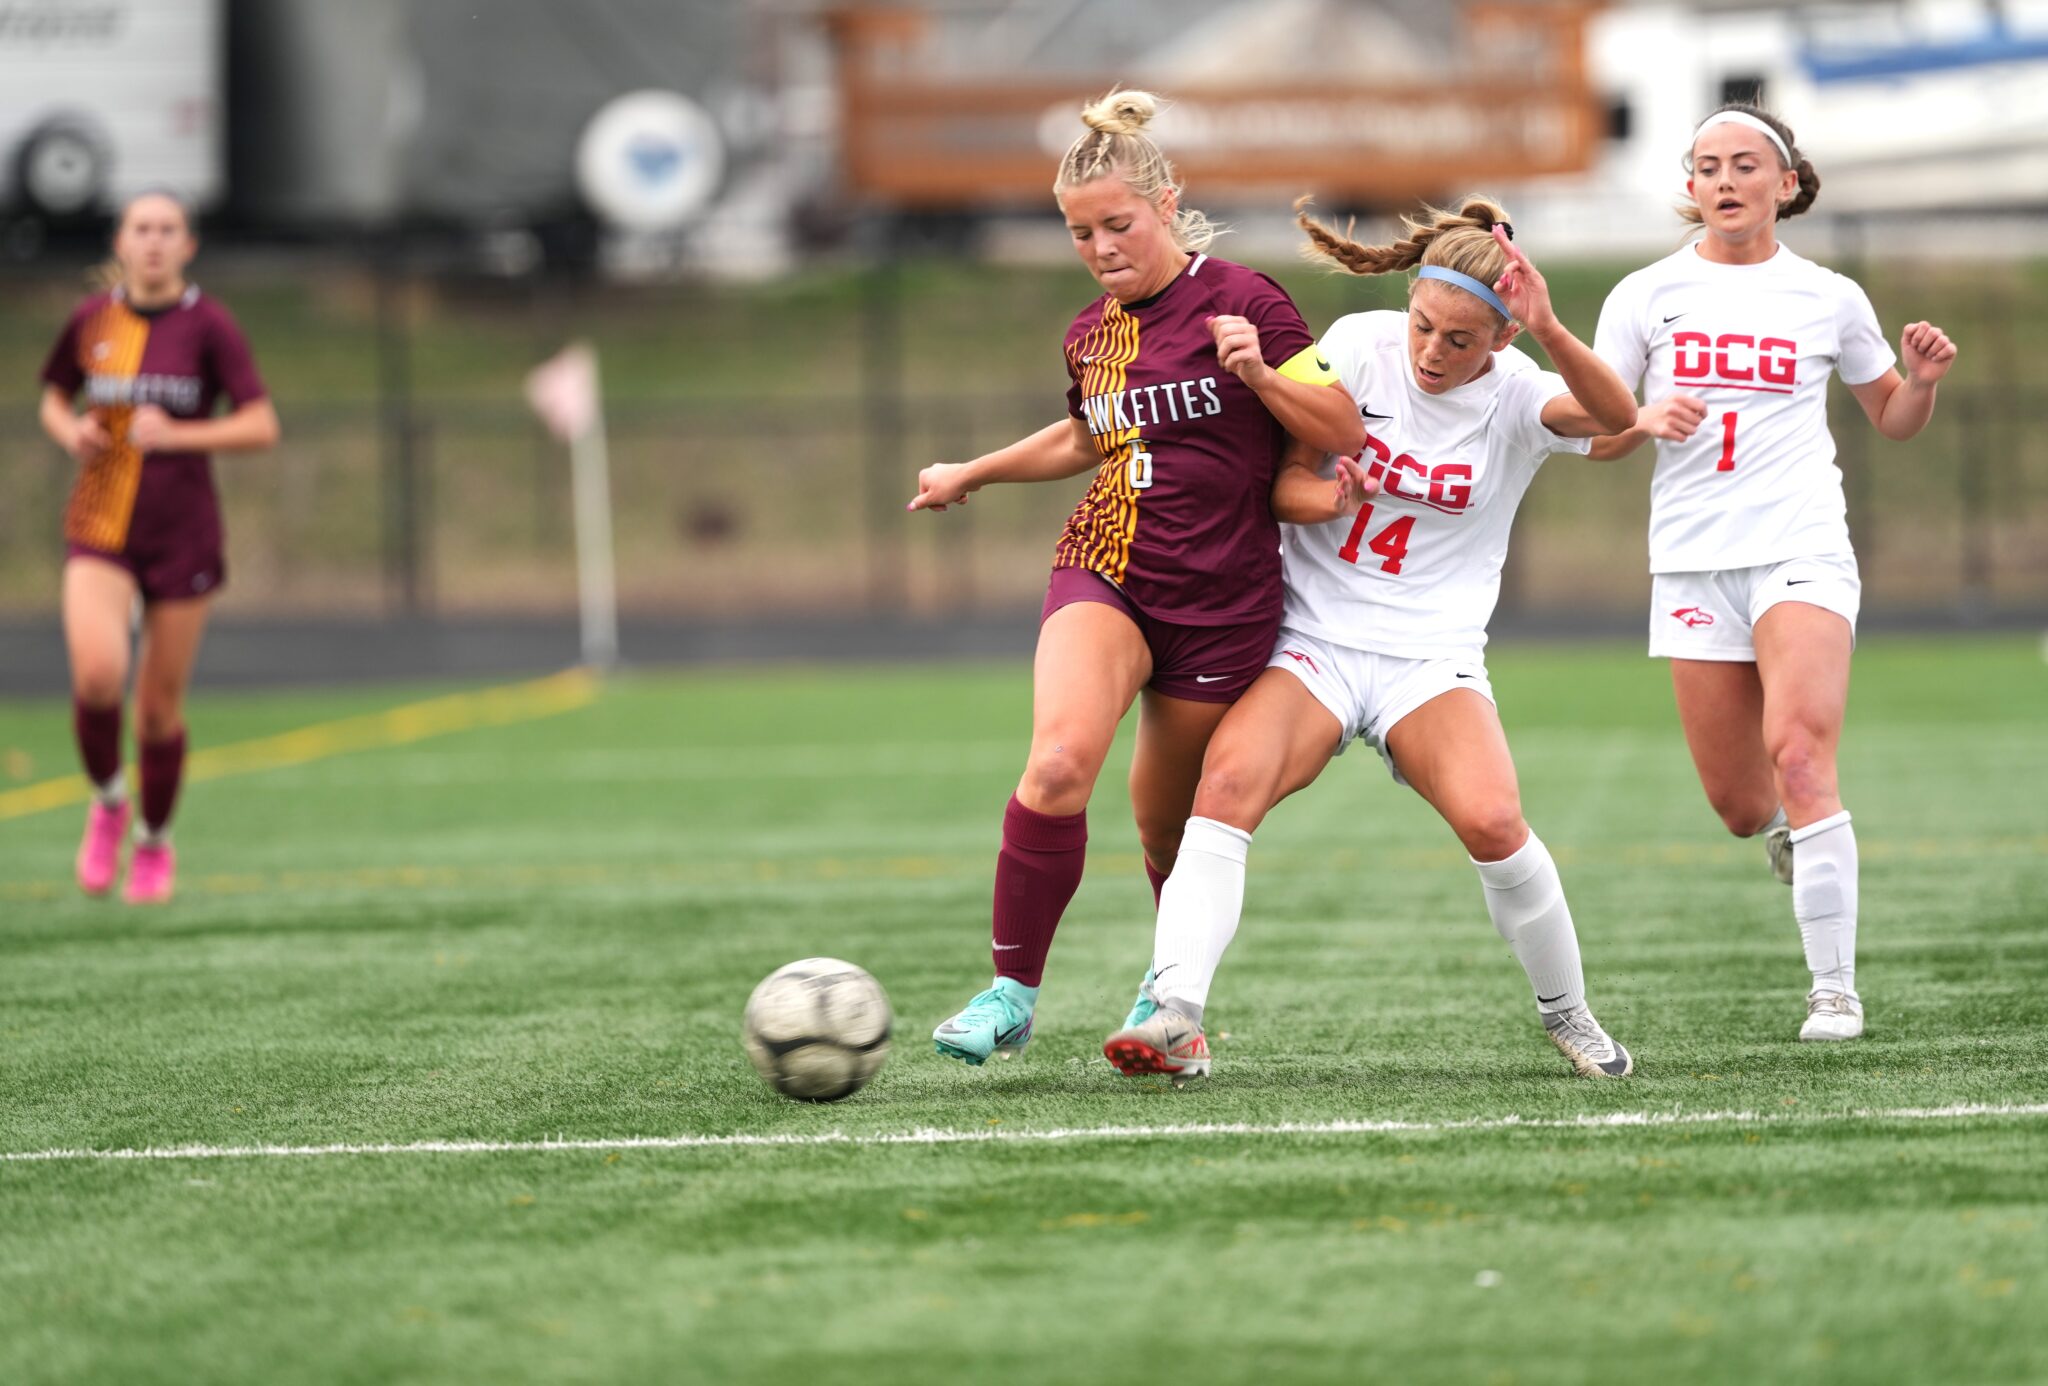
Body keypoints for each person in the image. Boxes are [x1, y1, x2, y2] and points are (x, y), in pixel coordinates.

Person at [1102, 197, 1639, 1082]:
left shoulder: (1517, 394)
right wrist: (1331, 498)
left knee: (1496, 822)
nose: (1431, 350)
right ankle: (1176, 1018)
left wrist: (1549, 323)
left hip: (1430, 656)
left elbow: (1617, 418)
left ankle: (1569, 1013)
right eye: (1425, 324)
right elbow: (1282, 490)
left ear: (1502, 339)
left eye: (1460, 340)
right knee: (1227, 783)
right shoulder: (1357, 343)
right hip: (1313, 638)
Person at [908, 91, 1364, 1066]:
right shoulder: (1089, 332)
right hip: (1106, 571)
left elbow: (1340, 434)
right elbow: (1085, 434)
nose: (1100, 246)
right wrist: (972, 471)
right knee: (1059, 764)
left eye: (1116, 224)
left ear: (1165, 203)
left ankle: (1169, 1006)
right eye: (1079, 233)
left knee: (1169, 833)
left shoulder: (1248, 301)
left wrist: (1257, 376)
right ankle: (1009, 993)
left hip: (1224, 607)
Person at [1588, 104, 1956, 1042]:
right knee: (1743, 803)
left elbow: (1893, 420)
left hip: (1801, 547)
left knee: (1800, 756)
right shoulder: (1643, 294)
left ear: (1785, 185)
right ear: (1690, 186)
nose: (1724, 181)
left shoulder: (1828, 295)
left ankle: (1834, 988)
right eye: (1706, 166)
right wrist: (1640, 421)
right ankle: (1796, 836)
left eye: (1745, 165)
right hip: (1691, 563)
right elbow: (1594, 436)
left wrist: (1918, 383)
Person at [38, 190, 281, 904]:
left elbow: (261, 425)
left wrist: (181, 434)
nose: (153, 241)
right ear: (120, 239)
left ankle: (153, 841)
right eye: (140, 228)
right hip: (101, 529)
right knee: (97, 677)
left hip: (183, 538)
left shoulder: (208, 325)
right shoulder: (93, 319)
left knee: (155, 712)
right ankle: (111, 800)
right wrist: (69, 432)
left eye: (167, 229)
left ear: (188, 246)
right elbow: (54, 396)